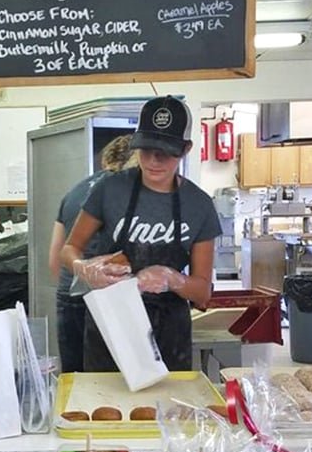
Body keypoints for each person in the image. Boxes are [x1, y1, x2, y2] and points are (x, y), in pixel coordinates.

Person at [61, 96, 221, 372]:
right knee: (106, 407)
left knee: (163, 411)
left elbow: (202, 293)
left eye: (164, 153)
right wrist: (83, 267)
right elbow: (69, 249)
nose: (152, 161)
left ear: (185, 149)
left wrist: (173, 279)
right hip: (110, 327)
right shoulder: (110, 190)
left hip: (168, 335)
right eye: (145, 150)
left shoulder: (199, 205)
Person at [49, 134, 133, 372]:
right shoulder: (128, 192)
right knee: (116, 384)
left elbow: (55, 258)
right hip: (111, 299)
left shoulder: (74, 192)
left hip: (69, 297)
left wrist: (73, 288)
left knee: (77, 380)